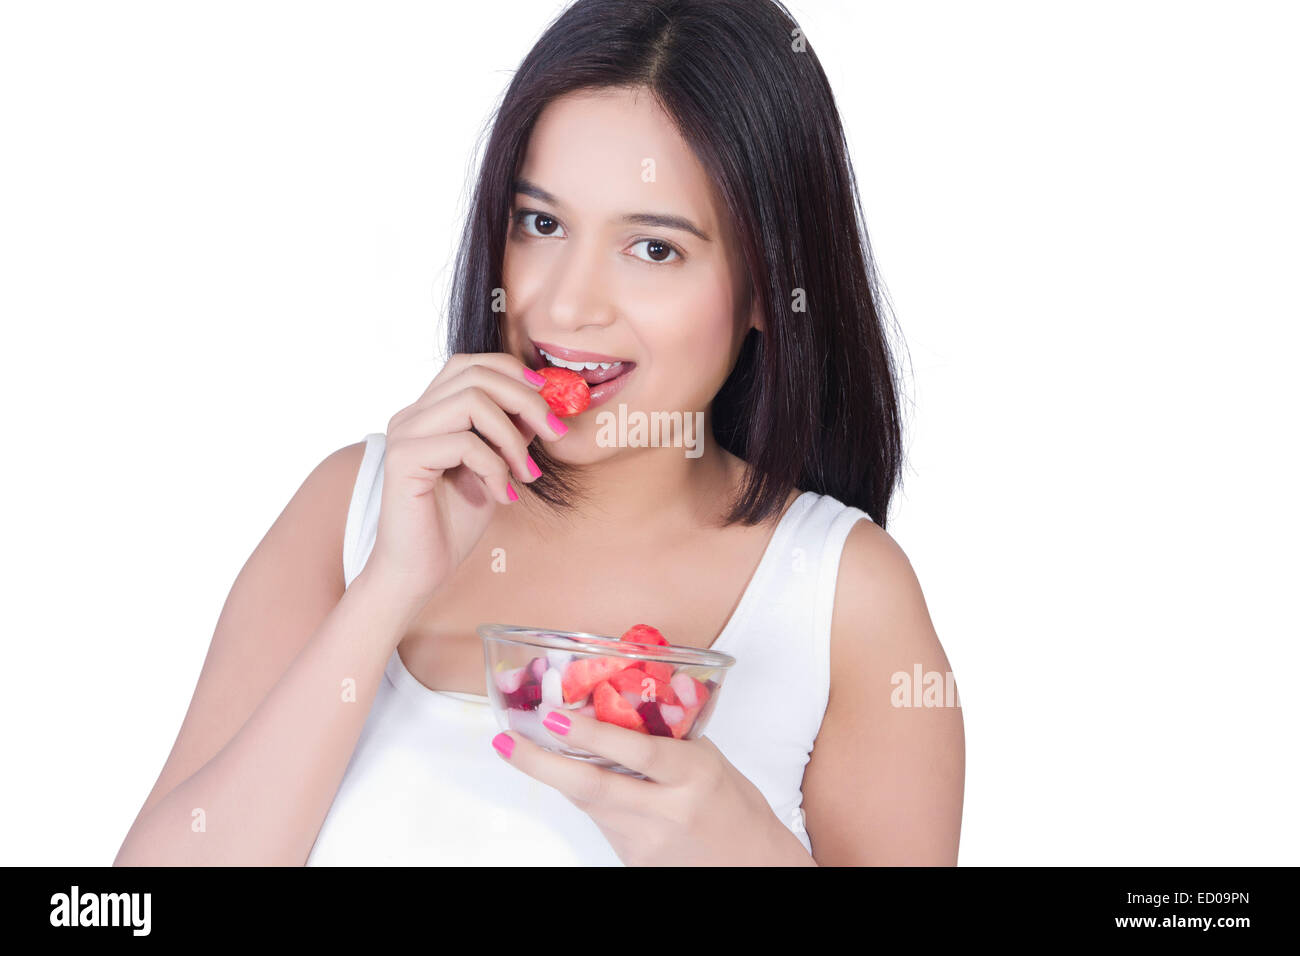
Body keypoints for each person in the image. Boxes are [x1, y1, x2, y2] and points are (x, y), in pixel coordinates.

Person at [114, 0, 964, 867]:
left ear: (764, 289)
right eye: (542, 224)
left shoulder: (842, 596)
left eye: (655, 249)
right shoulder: (354, 505)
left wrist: (743, 849)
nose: (564, 306)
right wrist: (386, 592)